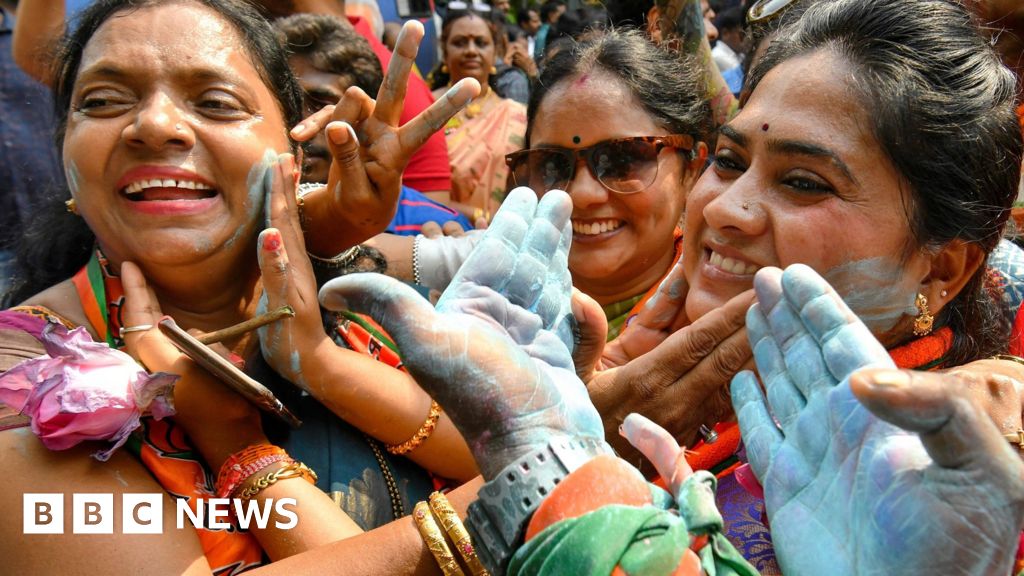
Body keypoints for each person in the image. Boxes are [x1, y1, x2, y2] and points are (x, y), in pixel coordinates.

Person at [0, 0, 483, 571]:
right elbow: (533, 478)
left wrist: (315, 359)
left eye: (216, 103)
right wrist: (535, 488)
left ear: (295, 158)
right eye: (103, 101)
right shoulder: (25, 377)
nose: (154, 125)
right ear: (67, 157)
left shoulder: (363, 308)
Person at [274, 13, 472, 235]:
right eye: (286, 103)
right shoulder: (251, 217)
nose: (301, 122)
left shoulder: (439, 231)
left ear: (366, 115)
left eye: (321, 105)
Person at [430, 8, 527, 220]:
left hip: (504, 231)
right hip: (433, 230)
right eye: (460, 43)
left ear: (495, 52)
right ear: (444, 51)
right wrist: (480, 217)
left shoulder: (516, 115)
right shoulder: (426, 109)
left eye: (481, 43)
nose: (471, 51)